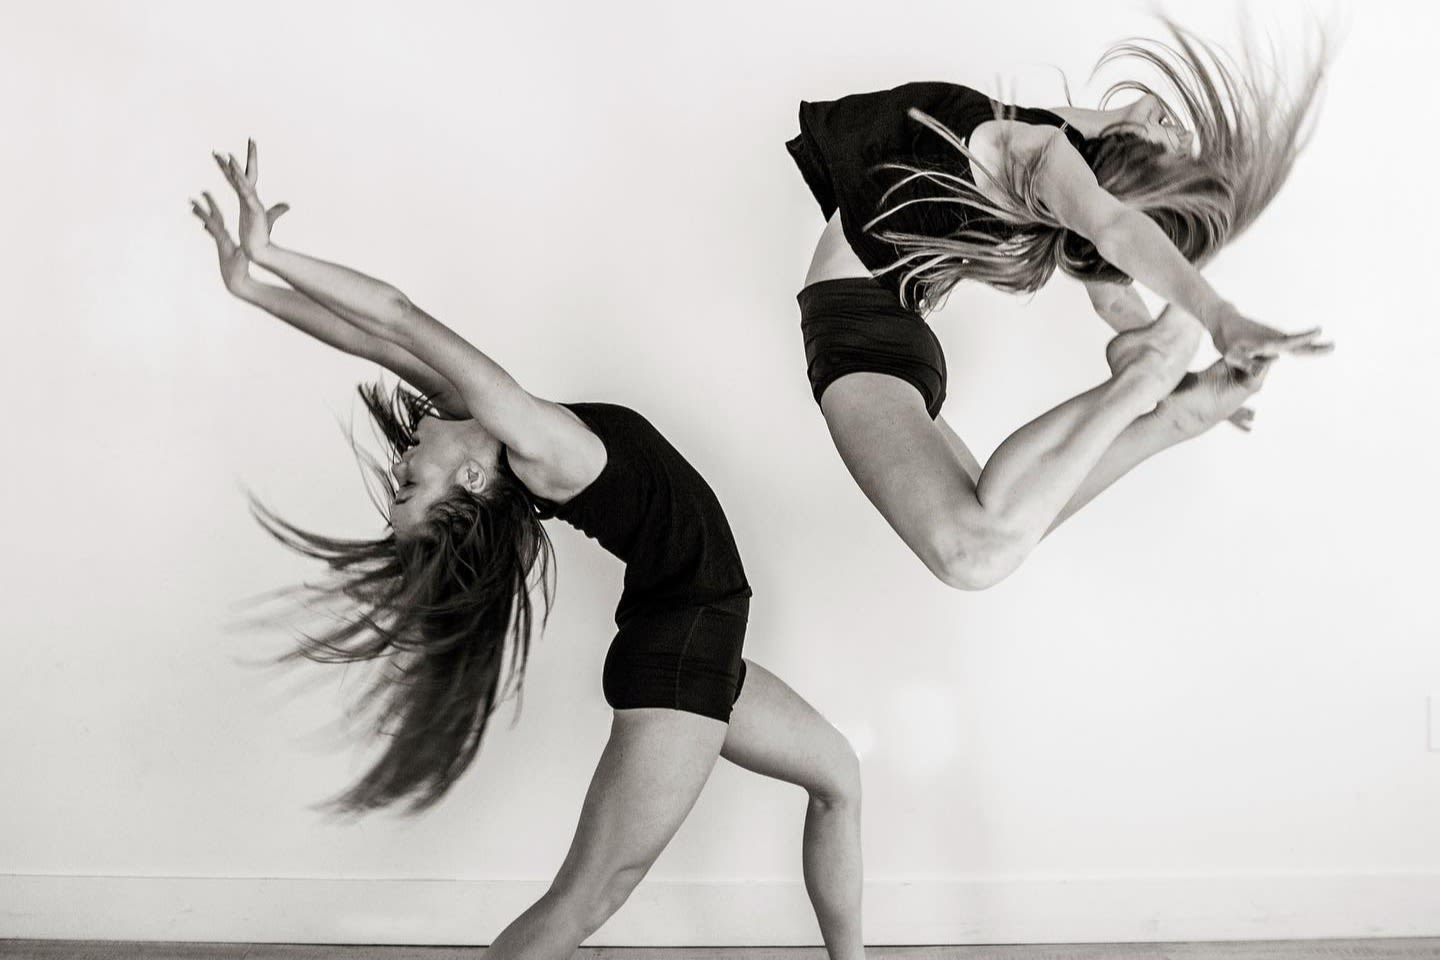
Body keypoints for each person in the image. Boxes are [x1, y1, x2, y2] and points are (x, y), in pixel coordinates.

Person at [193, 141, 865, 960]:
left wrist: (251, 286)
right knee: (584, 902)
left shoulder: (493, 430)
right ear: (472, 481)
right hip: (683, 652)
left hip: (695, 641)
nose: (400, 467)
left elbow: (377, 341)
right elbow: (396, 313)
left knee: (837, 777)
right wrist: (271, 252)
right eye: (411, 489)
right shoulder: (539, 444)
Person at [787, 18, 1330, 589]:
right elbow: (1113, 231)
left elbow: (1116, 289)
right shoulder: (1036, 151)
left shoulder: (1046, 158)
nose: (1180, 136)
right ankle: (1166, 417)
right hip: (877, 332)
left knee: (980, 547)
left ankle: (1155, 389)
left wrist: (1188, 355)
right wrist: (1214, 320)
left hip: (862, 331)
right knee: (988, 540)